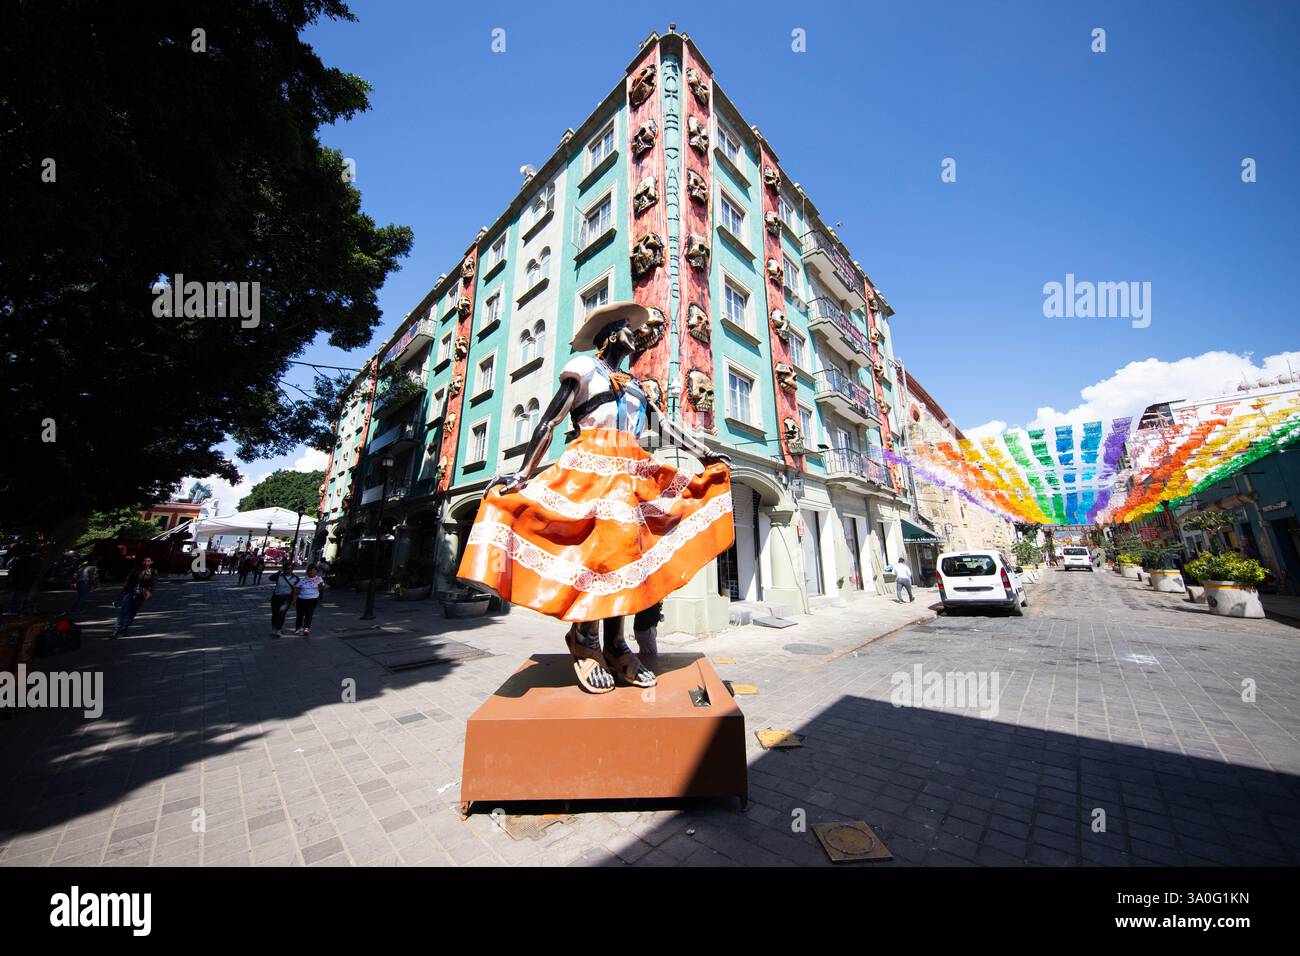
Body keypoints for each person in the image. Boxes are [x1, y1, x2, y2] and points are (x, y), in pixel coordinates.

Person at [456, 301, 734, 694]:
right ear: (607, 338)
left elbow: (667, 427)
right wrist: (523, 473)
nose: (633, 334)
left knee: (627, 556)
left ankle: (617, 643)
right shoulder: (585, 368)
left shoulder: (635, 383)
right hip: (590, 465)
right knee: (596, 554)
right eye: (624, 328)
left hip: (631, 468)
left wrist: (705, 455)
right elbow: (549, 421)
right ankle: (585, 639)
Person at [114, 556, 158, 638]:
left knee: (132, 611)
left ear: (152, 562)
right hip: (129, 591)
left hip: (141, 593)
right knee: (124, 610)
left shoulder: (153, 571)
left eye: (148, 561)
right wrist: (121, 593)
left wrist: (150, 593)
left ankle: (124, 628)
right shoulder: (136, 570)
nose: (146, 562)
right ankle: (117, 628)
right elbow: (127, 581)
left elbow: (153, 584)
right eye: (144, 561)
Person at [292, 563, 325, 636]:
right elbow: (296, 590)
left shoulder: (319, 579)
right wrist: (294, 600)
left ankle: (306, 627)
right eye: (311, 571)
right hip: (302, 599)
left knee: (309, 614)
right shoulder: (302, 580)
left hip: (313, 599)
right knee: (300, 614)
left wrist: (321, 586)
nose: (312, 573)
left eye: (314, 571)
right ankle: (298, 628)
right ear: (308, 571)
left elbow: (321, 589)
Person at [269, 560, 299, 638]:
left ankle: (279, 629)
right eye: (288, 568)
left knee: (282, 613)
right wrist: (279, 571)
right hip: (276, 597)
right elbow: (271, 578)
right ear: (284, 569)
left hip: (287, 598)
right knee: (275, 613)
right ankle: (274, 627)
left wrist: (295, 599)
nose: (289, 570)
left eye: (291, 568)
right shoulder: (279, 576)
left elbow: (297, 589)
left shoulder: (295, 578)